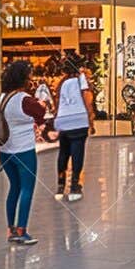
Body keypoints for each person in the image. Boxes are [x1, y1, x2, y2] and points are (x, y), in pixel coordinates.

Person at [0, 58, 47, 245]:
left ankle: (10, 230)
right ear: (24, 79)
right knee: (27, 189)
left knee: (14, 188)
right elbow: (41, 112)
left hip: (4, 150)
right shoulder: (25, 100)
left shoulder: (2, 97)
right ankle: (22, 230)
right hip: (24, 150)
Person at [53, 54, 95, 202]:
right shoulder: (80, 79)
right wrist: (91, 119)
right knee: (77, 152)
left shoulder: (62, 82)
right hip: (78, 120)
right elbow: (87, 99)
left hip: (63, 120)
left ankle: (60, 184)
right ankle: (74, 186)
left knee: (63, 153)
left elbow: (57, 103)